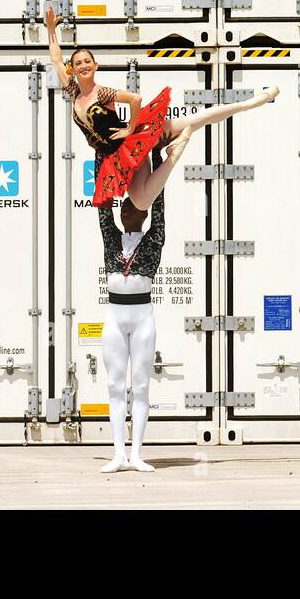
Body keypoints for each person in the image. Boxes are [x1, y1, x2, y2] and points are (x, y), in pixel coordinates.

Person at [45, 3, 280, 211]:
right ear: (72, 70)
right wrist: (51, 30)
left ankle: (249, 103)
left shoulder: (102, 92)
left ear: (96, 66)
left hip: (132, 142)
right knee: (140, 201)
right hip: (117, 156)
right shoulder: (73, 91)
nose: (83, 65)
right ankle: (175, 152)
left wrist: (130, 128)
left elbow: (135, 99)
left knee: (195, 120)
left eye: (87, 61)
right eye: (78, 63)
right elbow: (56, 59)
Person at [97, 129, 190, 474]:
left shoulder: (154, 239)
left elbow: (158, 202)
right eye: (123, 205)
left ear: (144, 209)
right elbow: (103, 206)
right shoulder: (112, 241)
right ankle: (118, 453)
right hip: (115, 316)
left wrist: (152, 155)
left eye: (133, 203)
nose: (125, 207)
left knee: (141, 384)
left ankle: (137, 453)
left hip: (142, 317)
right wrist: (103, 152)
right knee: (113, 384)